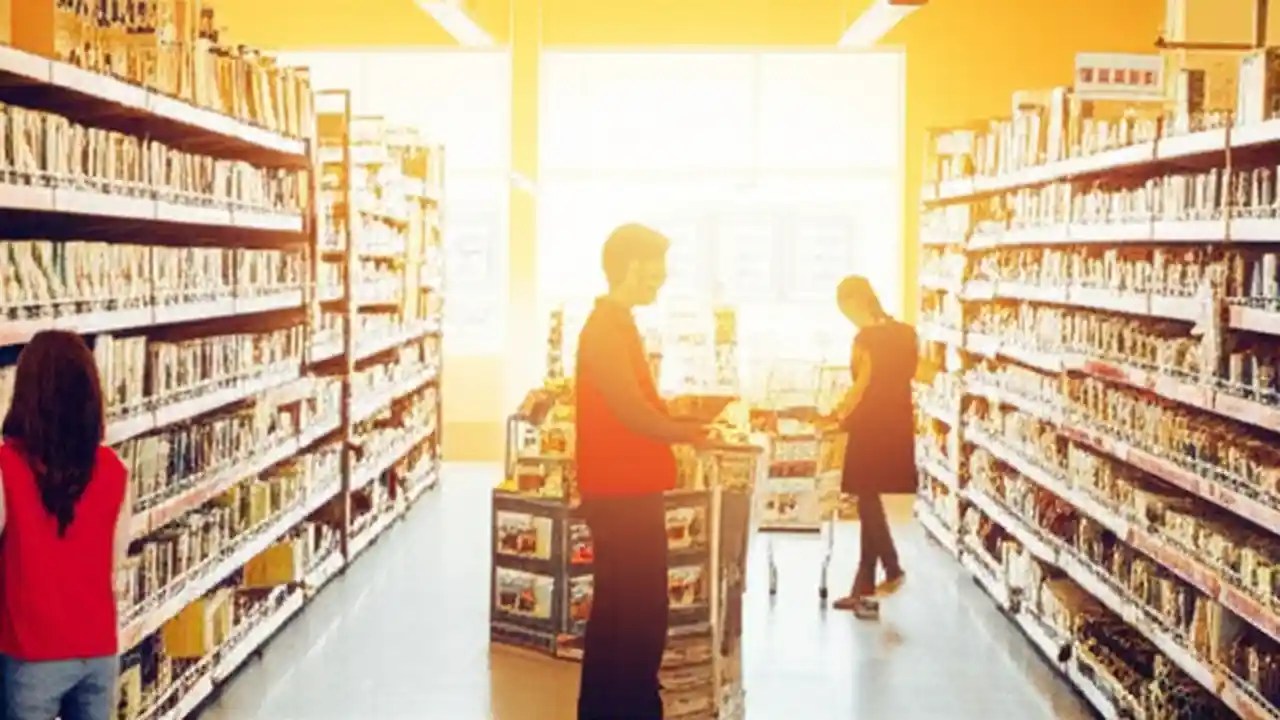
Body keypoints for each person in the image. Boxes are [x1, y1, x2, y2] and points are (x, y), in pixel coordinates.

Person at [575, 223, 707, 720]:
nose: (662, 278)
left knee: (622, 608)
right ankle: (627, 708)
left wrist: (679, 419)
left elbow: (633, 405)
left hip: (625, 486)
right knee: (638, 613)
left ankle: (611, 708)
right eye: (656, 268)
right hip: (621, 491)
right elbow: (629, 411)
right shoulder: (605, 329)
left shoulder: (619, 323)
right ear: (631, 265)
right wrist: (690, 432)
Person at [0, 331, 130, 720]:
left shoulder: (7, 466)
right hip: (98, 650)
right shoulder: (114, 468)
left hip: (30, 653)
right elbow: (116, 560)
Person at [827, 276, 918, 619]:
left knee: (865, 494)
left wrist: (838, 414)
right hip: (896, 423)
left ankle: (892, 568)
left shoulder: (864, 339)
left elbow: (862, 385)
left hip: (868, 425)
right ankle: (862, 586)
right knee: (869, 498)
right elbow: (909, 374)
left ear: (855, 303)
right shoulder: (906, 333)